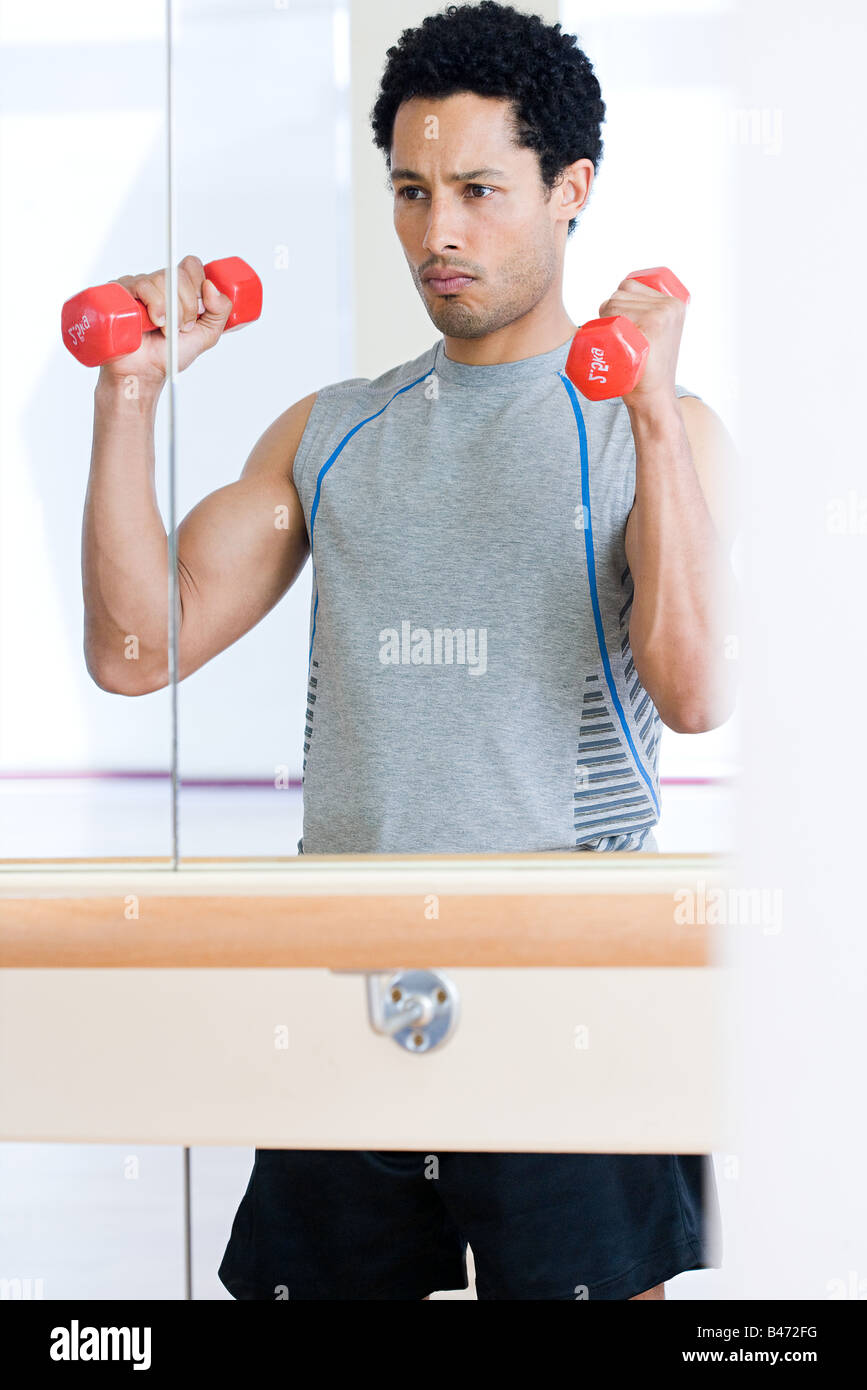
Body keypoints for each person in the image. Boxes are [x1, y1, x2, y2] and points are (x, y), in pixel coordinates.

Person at [82, 1, 737, 1299]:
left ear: (572, 190)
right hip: (348, 982)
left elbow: (697, 687)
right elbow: (135, 650)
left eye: (483, 190)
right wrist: (131, 390)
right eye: (412, 190)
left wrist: (652, 414)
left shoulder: (659, 432)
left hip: (571, 985)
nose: (438, 232)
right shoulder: (332, 432)